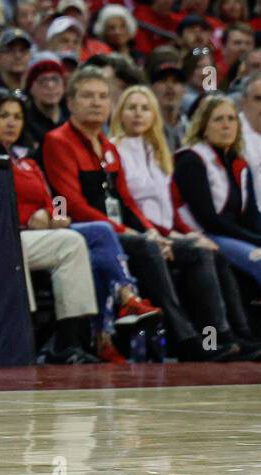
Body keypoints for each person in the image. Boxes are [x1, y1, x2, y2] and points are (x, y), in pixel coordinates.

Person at [42, 68, 245, 362]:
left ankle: (218, 337)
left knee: (199, 253)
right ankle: (184, 340)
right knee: (147, 247)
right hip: (88, 234)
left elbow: (126, 201)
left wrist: (150, 230)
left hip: (125, 233)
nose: (96, 103)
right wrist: (134, 234)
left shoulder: (108, 146)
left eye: (102, 96)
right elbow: (72, 204)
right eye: (87, 96)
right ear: (70, 103)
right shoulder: (58, 141)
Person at [0, 90, 118, 363]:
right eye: (4, 116)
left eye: (17, 117)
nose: (11, 123)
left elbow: (53, 199)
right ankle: (25, 339)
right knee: (30, 249)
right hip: (2, 239)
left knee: (71, 242)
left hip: (33, 235)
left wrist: (53, 216)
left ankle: (68, 342)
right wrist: (27, 219)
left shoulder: (27, 161)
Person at [172, 94, 261, 332]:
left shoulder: (240, 164)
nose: (226, 125)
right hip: (202, 234)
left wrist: (257, 237)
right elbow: (208, 219)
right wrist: (255, 241)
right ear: (203, 126)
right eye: (218, 119)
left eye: (231, 119)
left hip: (231, 235)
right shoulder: (192, 159)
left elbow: (251, 216)